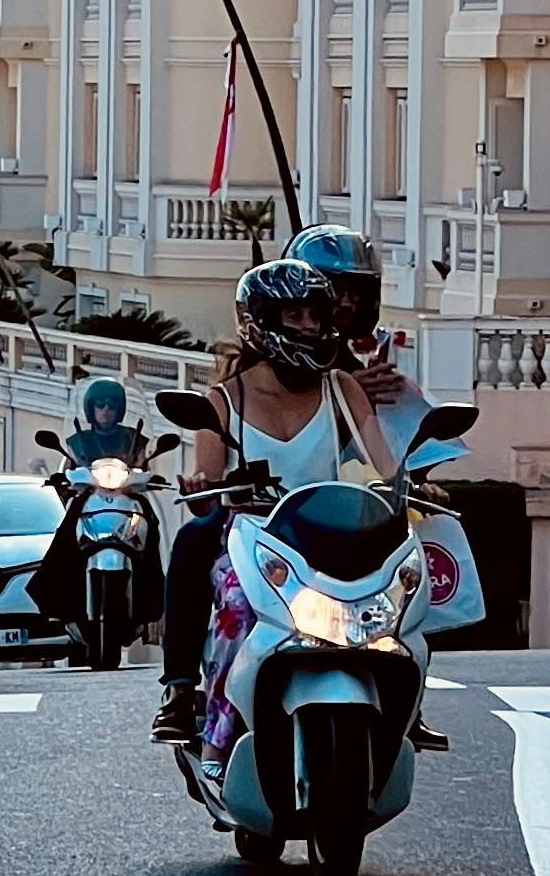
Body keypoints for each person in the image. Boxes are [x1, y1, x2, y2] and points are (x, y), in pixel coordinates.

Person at [150, 259, 400, 746]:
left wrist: (412, 485)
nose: (309, 326)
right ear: (260, 321)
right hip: (255, 543)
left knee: (396, 599)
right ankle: (186, 697)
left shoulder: (343, 389)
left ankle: (403, 708)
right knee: (219, 580)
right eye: (295, 316)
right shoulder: (224, 399)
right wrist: (200, 485)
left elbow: (383, 464)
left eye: (315, 315)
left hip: (334, 542)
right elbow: (209, 483)